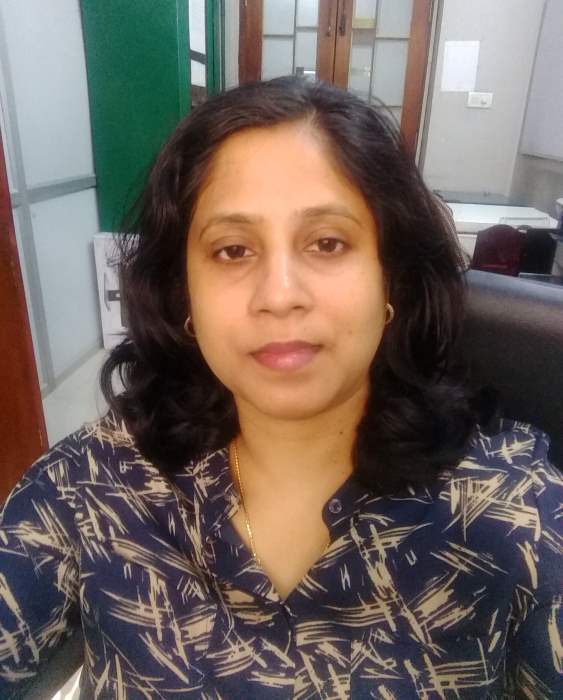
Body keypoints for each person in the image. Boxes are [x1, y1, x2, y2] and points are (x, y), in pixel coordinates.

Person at [0, 77, 561, 699]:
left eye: (327, 242)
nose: (279, 294)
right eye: (232, 251)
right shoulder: (95, 486)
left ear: (391, 281)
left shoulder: (511, 511)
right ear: (185, 295)